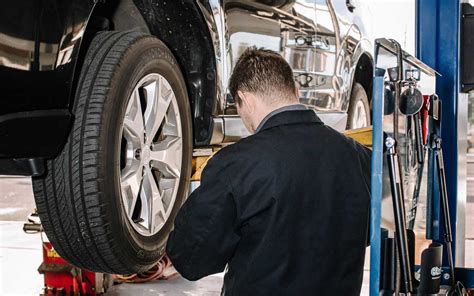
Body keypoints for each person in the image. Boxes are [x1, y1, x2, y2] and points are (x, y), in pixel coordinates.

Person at [166, 48, 371, 295]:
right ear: (295, 91)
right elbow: (365, 234)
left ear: (246, 98)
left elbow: (191, 259)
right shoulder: (358, 156)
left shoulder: (236, 164)